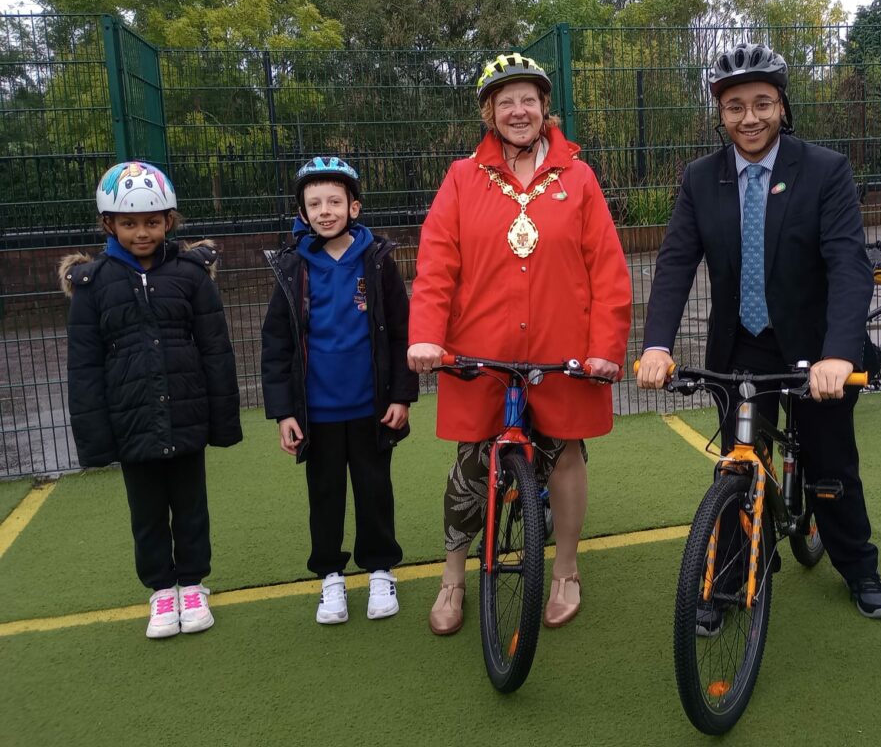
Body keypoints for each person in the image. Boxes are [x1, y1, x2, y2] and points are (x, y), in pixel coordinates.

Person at [636, 42, 881, 621]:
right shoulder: (701, 178)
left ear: (782, 105)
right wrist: (656, 345)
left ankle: (859, 566)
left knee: (830, 465)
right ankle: (732, 574)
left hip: (817, 344)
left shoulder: (824, 169)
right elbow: (675, 263)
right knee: (738, 460)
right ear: (720, 113)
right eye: (734, 107)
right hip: (743, 345)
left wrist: (837, 353)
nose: (748, 118)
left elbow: (848, 265)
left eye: (761, 104)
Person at [407, 53, 631, 635]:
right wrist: (426, 335)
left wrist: (607, 346)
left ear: (543, 106)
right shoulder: (462, 177)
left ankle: (566, 570)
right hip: (479, 351)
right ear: (489, 112)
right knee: (470, 464)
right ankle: (452, 578)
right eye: (504, 101)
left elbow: (607, 268)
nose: (518, 110)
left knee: (566, 452)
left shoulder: (578, 177)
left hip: (562, 350)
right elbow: (436, 263)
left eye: (528, 99)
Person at [62, 160, 241, 639]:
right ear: (109, 224)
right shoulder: (91, 285)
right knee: (146, 512)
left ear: (169, 221)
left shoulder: (191, 275)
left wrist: (222, 419)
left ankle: (192, 584)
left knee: (191, 506)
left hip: (185, 411)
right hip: (132, 419)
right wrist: (96, 437)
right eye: (129, 223)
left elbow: (215, 349)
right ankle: (162, 589)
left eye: (152, 222)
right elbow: (84, 366)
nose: (141, 232)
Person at [261, 157, 418, 625]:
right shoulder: (292, 267)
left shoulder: (379, 261)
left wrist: (401, 396)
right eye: (314, 204)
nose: (325, 211)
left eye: (334, 201)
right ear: (302, 213)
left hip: (372, 407)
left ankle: (380, 570)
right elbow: (276, 343)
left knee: (375, 490)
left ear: (354, 207)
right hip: (318, 412)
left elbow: (401, 333)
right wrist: (284, 412)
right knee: (325, 495)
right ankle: (330, 576)